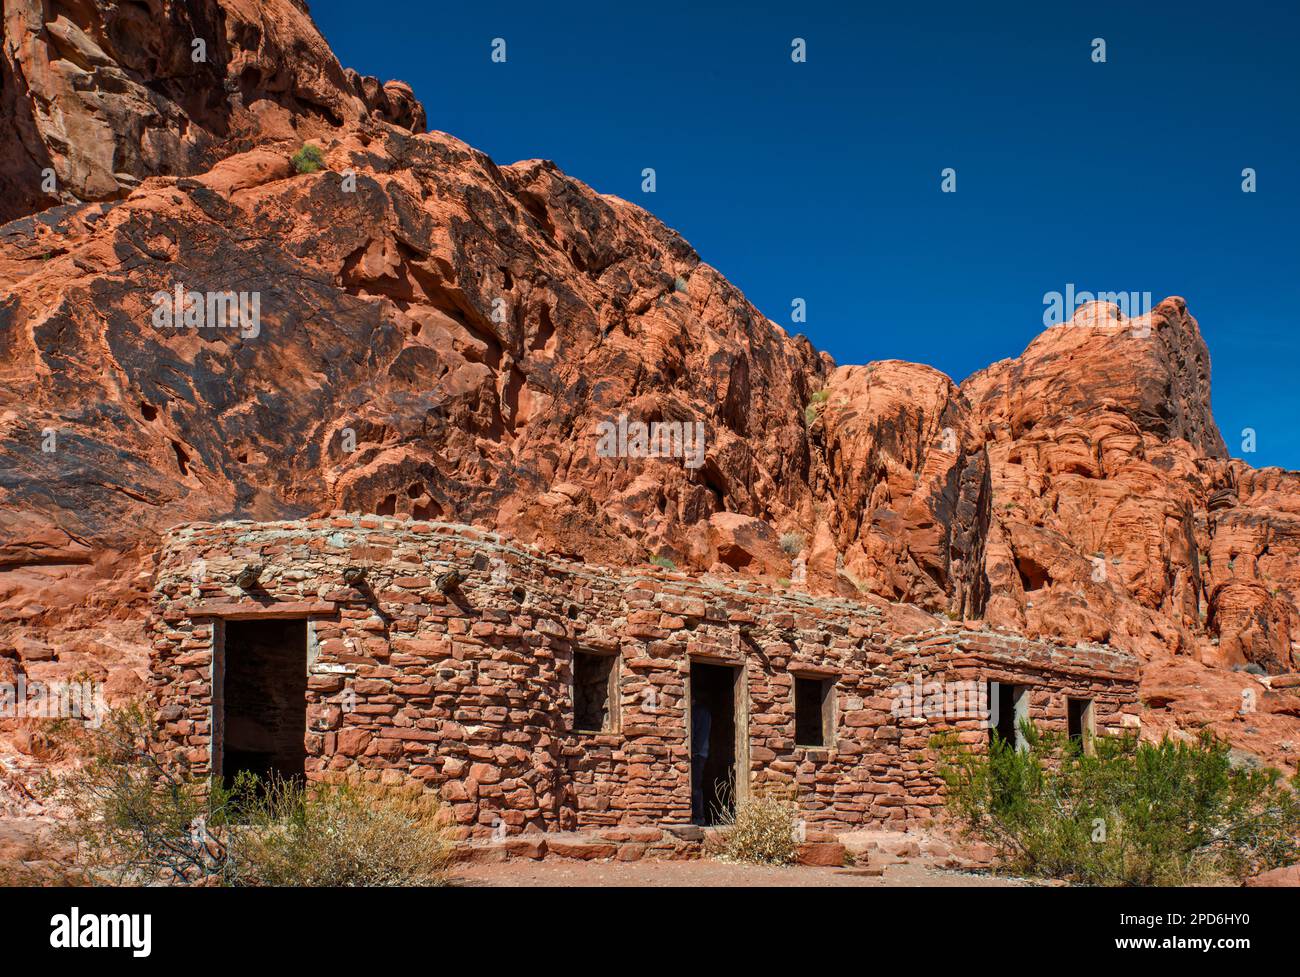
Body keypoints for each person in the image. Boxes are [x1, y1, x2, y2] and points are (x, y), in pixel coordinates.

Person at [691, 701, 711, 822]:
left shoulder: (699, 712)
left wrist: (693, 750)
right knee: (695, 786)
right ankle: (698, 817)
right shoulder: (701, 711)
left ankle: (698, 818)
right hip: (700, 753)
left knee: (695, 786)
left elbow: (701, 735)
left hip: (697, 754)